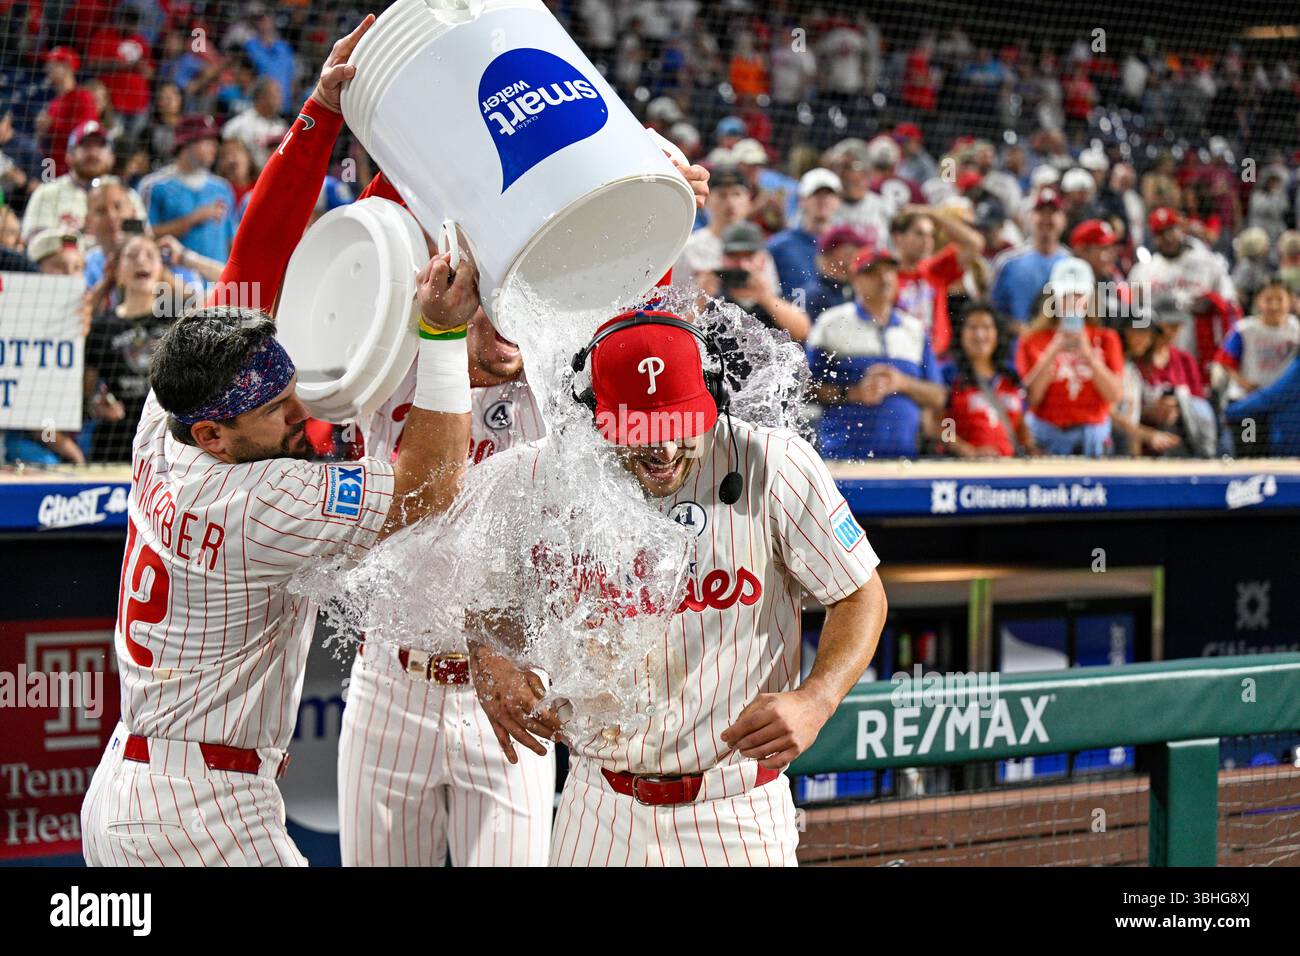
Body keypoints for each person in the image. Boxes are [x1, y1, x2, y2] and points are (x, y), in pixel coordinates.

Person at [471, 308, 888, 866]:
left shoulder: (774, 462)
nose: (663, 451)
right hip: (598, 805)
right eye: (639, 431)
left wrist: (817, 698)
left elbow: (860, 594)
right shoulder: (550, 473)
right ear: (594, 412)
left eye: (678, 425)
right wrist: (488, 656)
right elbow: (473, 576)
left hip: (734, 807)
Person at [806, 248, 947, 460]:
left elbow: (938, 396)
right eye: (873, 272)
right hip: (842, 458)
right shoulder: (831, 324)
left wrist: (902, 383)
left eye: (890, 271)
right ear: (855, 280)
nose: (884, 278)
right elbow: (806, 388)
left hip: (904, 459)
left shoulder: (914, 330)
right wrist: (852, 393)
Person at [1015, 257, 1124, 456]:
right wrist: (1053, 351)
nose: (1072, 301)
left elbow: (1115, 395)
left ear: (1089, 297)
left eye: (1079, 294)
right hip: (1046, 433)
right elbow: (1030, 398)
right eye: (1066, 295)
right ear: (1054, 297)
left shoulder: (1107, 338)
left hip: (1092, 433)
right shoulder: (1031, 340)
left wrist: (1089, 357)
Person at [1127, 207, 1237, 372]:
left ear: (1181, 229)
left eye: (1171, 230)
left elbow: (1229, 303)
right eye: (1160, 233)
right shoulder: (1142, 271)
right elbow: (1132, 316)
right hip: (1160, 348)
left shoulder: (1208, 262)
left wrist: (1210, 302)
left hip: (1203, 342)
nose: (1168, 237)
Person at [21, 120, 146, 240]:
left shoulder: (126, 193)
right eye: (85, 146)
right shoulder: (47, 193)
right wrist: (80, 232)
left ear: (111, 157)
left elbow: (143, 235)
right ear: (69, 156)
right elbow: (34, 239)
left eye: (100, 146)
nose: (93, 153)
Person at [890, 205, 985, 357]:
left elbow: (975, 243)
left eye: (930, 235)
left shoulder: (934, 270)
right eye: (919, 234)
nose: (927, 240)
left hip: (937, 357)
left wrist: (931, 214)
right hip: (902, 355)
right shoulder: (885, 275)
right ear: (898, 238)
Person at [941, 301, 1033, 457]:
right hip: (964, 470)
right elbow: (938, 426)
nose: (980, 334)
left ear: (997, 334)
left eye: (986, 327)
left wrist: (1031, 450)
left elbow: (1021, 428)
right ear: (960, 334)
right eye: (972, 328)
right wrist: (968, 451)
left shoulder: (1011, 377)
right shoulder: (948, 374)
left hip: (1009, 469)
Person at [696, 221, 810, 342]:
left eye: (749, 256)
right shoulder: (711, 294)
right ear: (722, 259)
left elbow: (803, 331)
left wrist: (767, 299)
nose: (742, 264)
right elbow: (682, 332)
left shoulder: (772, 294)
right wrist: (701, 298)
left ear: (762, 260)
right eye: (734, 256)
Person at [147, 114, 237, 262]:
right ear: (186, 142)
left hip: (216, 280)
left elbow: (231, 240)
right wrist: (192, 219)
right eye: (207, 141)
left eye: (215, 142)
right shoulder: (156, 186)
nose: (214, 148)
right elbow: (147, 235)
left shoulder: (223, 188)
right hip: (173, 280)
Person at [989, 187, 1070, 328]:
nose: (1046, 218)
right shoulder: (1008, 262)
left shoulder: (1073, 263)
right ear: (1031, 217)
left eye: (1053, 212)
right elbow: (994, 310)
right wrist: (1018, 329)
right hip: (1018, 345)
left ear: (1064, 220)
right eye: (1041, 212)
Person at [1212, 277, 1300, 404]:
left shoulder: (1296, 328)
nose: (1274, 305)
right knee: (1249, 424)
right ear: (1258, 300)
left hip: (1284, 400)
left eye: (1280, 299)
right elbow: (1225, 362)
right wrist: (1244, 383)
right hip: (1248, 399)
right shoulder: (1244, 329)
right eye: (1268, 300)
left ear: (1290, 301)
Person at [769, 167, 842, 307]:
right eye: (816, 195)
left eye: (829, 195)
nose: (823, 201)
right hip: (792, 324)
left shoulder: (848, 246)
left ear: (838, 200)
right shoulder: (779, 246)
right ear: (802, 200)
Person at [35, 46, 99, 177]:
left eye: (52, 64)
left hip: (76, 173)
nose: (47, 68)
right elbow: (46, 144)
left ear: (66, 67)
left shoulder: (83, 96)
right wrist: (41, 132)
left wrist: (51, 125)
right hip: (53, 171)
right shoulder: (54, 103)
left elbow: (86, 132)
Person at [806, 224, 873, 319]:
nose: (860, 255)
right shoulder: (815, 295)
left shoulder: (856, 291)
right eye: (855, 249)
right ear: (835, 253)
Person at [222, 77, 288, 167]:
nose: (279, 100)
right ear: (261, 97)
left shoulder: (281, 126)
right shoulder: (239, 125)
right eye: (274, 96)